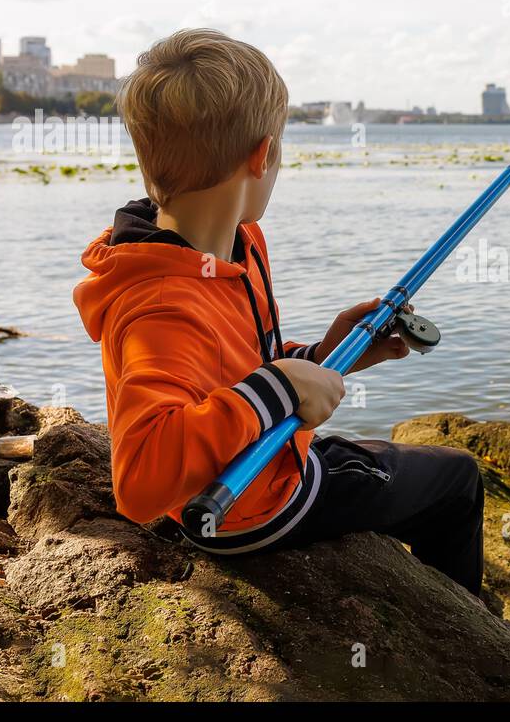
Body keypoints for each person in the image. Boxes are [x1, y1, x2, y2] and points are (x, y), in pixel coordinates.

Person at [72, 29, 483, 595]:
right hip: (244, 506)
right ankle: (466, 645)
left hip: (265, 458)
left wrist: (322, 358)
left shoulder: (238, 247)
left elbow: (240, 373)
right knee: (458, 480)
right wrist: (282, 387)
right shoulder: (161, 303)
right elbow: (142, 482)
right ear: (262, 155)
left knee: (406, 469)